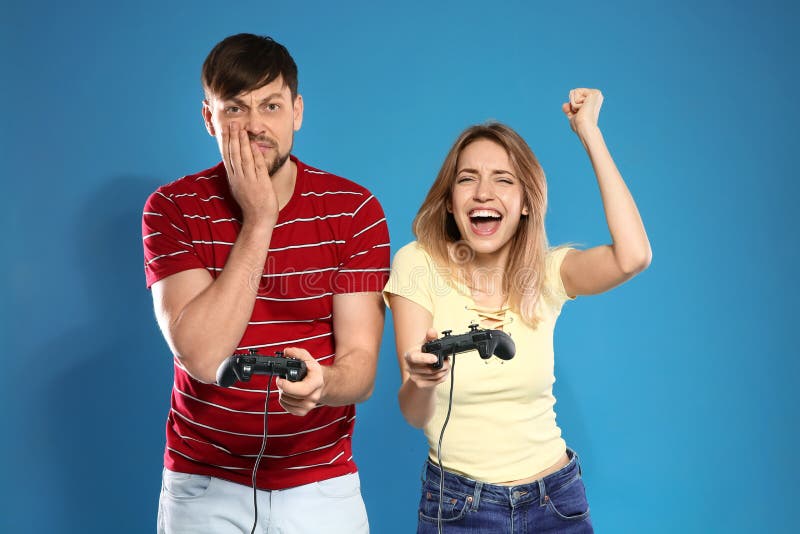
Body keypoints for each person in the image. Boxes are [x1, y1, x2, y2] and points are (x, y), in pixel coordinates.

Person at [142, 33, 389, 533]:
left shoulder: (355, 211)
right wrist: (260, 220)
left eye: (270, 105)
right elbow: (205, 356)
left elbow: (360, 368)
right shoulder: (171, 209)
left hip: (321, 485)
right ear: (208, 117)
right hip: (203, 485)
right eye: (235, 109)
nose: (255, 125)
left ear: (297, 111)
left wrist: (322, 386)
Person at [384, 88, 651, 533]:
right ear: (450, 200)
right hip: (459, 506)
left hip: (557, 500)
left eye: (504, 180)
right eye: (467, 178)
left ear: (526, 204)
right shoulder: (418, 264)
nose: (483, 192)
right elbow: (414, 414)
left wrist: (589, 133)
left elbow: (634, 256)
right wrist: (422, 380)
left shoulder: (547, 274)